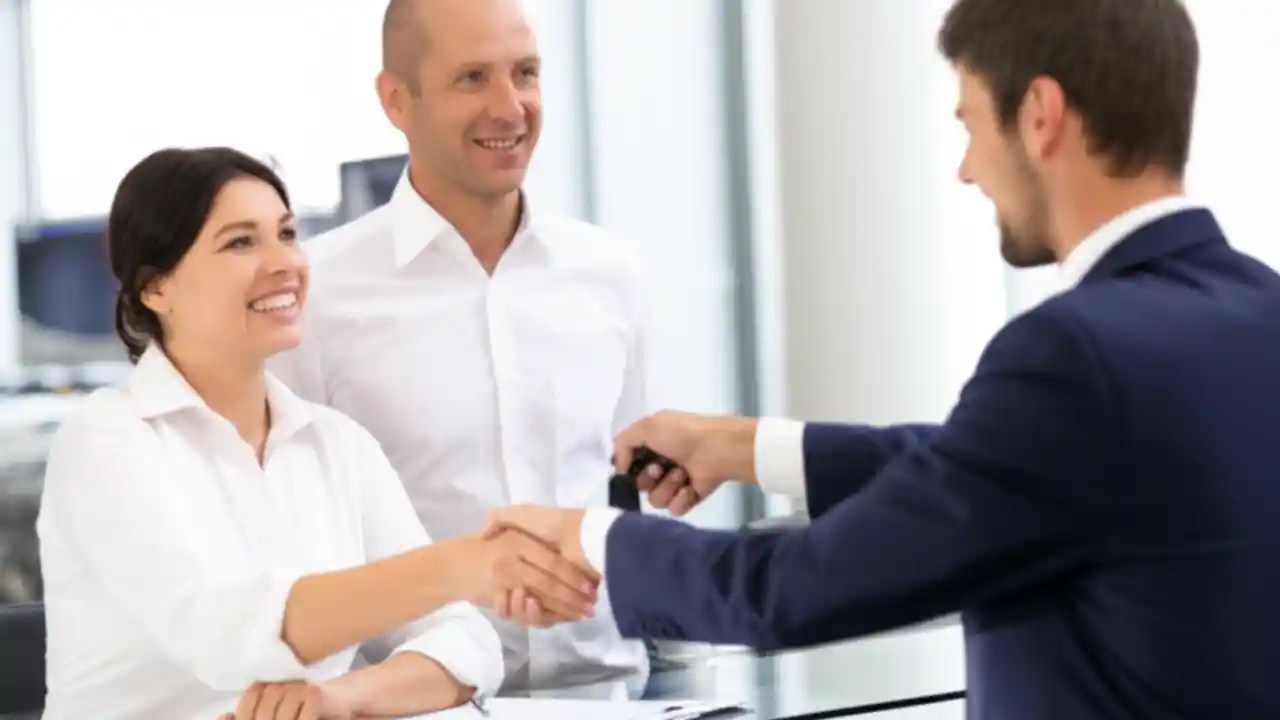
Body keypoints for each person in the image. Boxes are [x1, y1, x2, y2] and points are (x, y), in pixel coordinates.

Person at [483, 0, 1280, 717]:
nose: (967, 168)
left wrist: (594, 538)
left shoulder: (1071, 356)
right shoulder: (1257, 310)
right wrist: (755, 447)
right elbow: (1005, 468)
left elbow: (793, 592)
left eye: (969, 124)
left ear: (1040, 115)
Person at [36, 147, 599, 720]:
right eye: (240, 242)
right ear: (156, 288)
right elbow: (223, 635)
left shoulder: (335, 442)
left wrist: (339, 697)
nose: (285, 263)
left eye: (286, 234)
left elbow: (466, 642)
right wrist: (461, 565)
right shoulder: (106, 440)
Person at [270, 0, 651, 694]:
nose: (510, 108)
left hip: (611, 696)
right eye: (472, 78)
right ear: (395, 100)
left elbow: (629, 493)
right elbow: (292, 545)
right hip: (408, 705)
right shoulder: (315, 296)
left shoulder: (609, 273)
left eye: (526, 74)